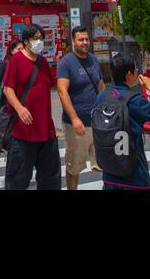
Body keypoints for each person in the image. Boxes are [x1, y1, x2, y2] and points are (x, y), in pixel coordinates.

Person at [93, 53, 150, 190]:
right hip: (134, 175)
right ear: (129, 74)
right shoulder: (134, 100)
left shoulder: (102, 96)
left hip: (110, 174)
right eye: (135, 70)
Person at [1, 24, 61, 190]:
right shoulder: (16, 61)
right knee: (18, 180)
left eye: (41, 38)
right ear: (26, 41)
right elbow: (7, 89)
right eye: (35, 38)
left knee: (50, 180)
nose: (39, 42)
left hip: (47, 131)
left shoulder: (43, 63)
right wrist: (20, 108)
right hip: (23, 132)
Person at [57, 25, 105, 190]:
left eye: (86, 39)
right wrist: (74, 118)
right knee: (74, 166)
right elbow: (62, 92)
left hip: (96, 121)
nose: (84, 42)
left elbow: (100, 85)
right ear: (73, 41)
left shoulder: (93, 59)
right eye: (80, 39)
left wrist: (108, 107)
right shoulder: (66, 62)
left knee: (104, 161)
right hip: (76, 125)